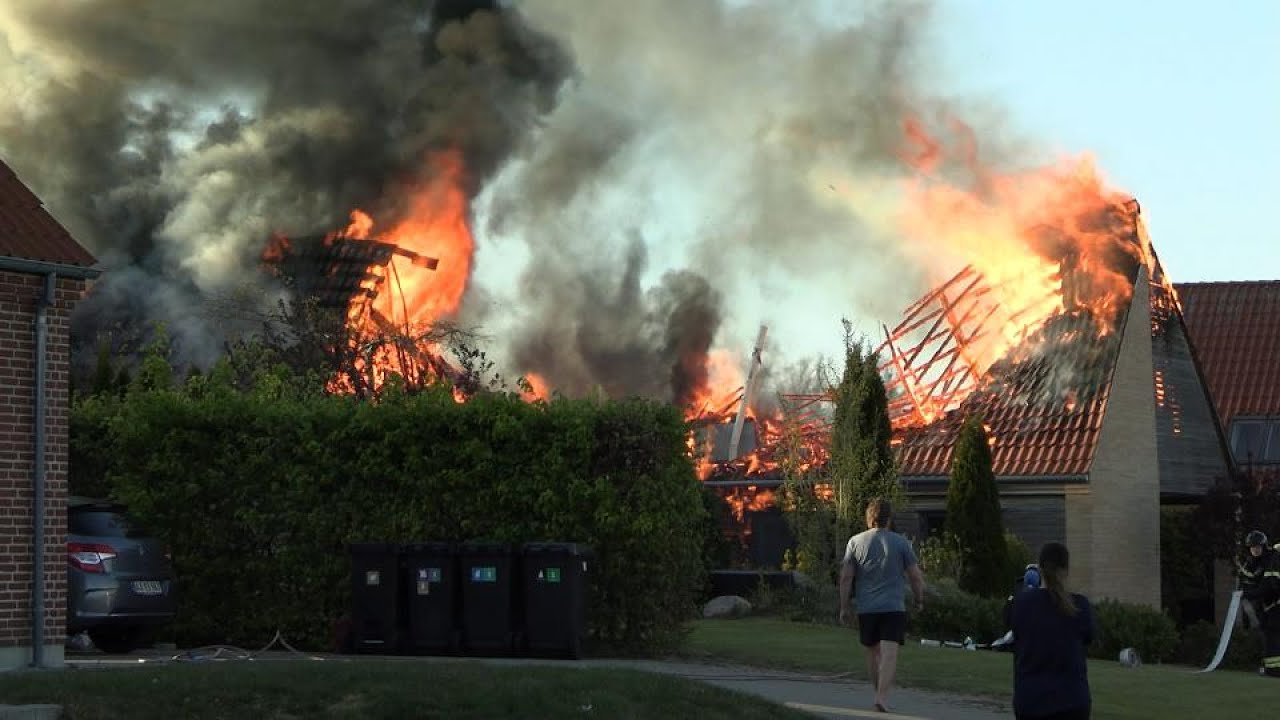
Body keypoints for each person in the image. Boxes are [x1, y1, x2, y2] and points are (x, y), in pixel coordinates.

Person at [838, 497, 926, 714]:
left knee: (871, 651)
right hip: (893, 606)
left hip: (867, 607)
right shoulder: (900, 543)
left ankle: (878, 693)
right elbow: (915, 576)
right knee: (889, 653)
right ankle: (882, 697)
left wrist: (844, 606)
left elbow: (846, 577)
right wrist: (919, 599)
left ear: (869, 519)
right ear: (889, 520)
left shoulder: (855, 542)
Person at [1010, 542, 1095, 720]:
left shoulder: (1022, 603)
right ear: (1067, 570)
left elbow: (1015, 631)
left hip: (1031, 701)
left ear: (1040, 569)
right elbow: (1089, 637)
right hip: (1072, 701)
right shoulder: (1080, 606)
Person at [1239, 530, 1280, 677]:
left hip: (1276, 603)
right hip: (1265, 606)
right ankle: (1271, 668)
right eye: (1252, 547)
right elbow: (1246, 582)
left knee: (1273, 633)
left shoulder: (1274, 558)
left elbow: (1270, 585)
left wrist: (1249, 594)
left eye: (1257, 546)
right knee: (1268, 635)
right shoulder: (1251, 563)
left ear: (1263, 546)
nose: (1254, 549)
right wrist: (1244, 592)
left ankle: (1274, 669)